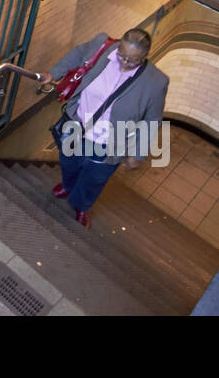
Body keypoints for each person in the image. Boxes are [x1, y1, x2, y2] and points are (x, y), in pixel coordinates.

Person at [34, 28, 168, 228]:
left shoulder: (156, 82)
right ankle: (69, 186)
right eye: (121, 55)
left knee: (94, 178)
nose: (123, 63)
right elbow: (77, 54)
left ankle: (81, 204)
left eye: (132, 61)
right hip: (77, 125)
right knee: (69, 162)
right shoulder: (102, 45)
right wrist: (53, 73)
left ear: (145, 57)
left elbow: (152, 119)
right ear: (119, 44)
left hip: (109, 141)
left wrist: (137, 153)